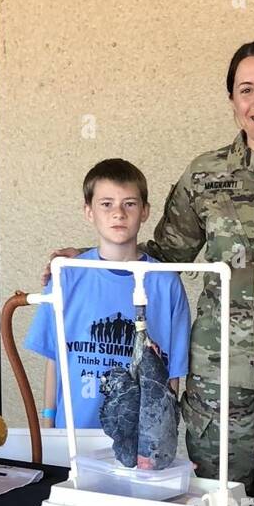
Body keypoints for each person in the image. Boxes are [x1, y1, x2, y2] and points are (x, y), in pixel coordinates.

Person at [50, 42, 254, 494]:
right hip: (218, 376)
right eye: (246, 90)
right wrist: (84, 261)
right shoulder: (205, 176)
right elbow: (161, 256)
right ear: (233, 102)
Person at [27, 159, 190, 431]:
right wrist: (48, 424)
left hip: (140, 437)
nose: (118, 213)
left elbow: (172, 375)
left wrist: (163, 436)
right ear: (89, 212)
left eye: (129, 203)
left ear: (145, 211)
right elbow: (55, 359)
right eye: (106, 204)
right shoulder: (67, 275)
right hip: (75, 434)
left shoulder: (166, 282)